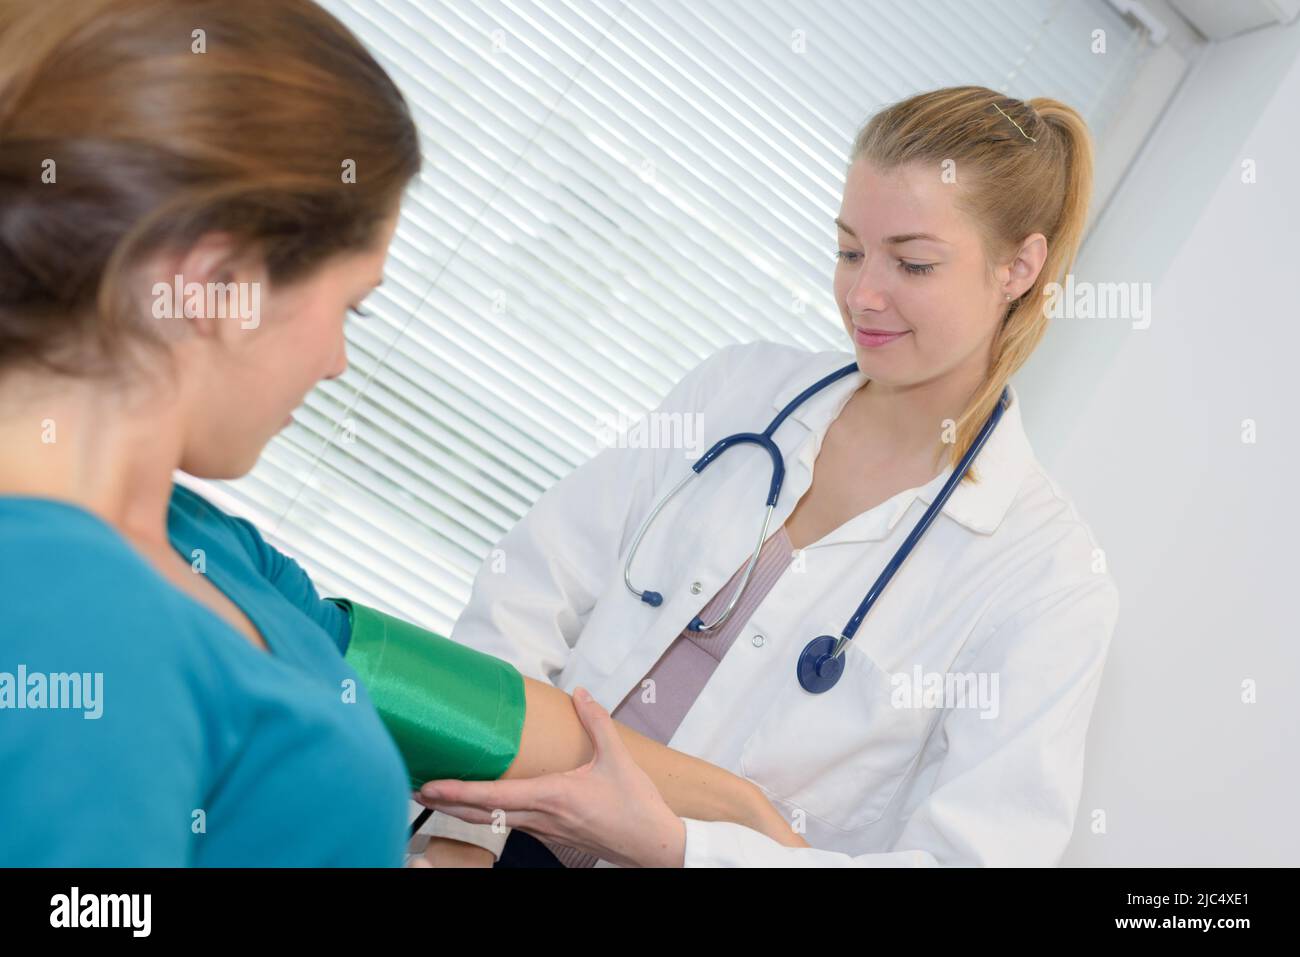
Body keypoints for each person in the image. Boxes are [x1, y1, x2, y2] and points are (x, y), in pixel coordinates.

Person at [0, 0, 804, 867]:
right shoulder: (73, 618)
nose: (340, 359)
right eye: (350, 306)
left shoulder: (204, 544)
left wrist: (738, 814)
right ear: (217, 283)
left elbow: (449, 700)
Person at [415, 86, 1122, 867]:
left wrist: (685, 846)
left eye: (913, 262)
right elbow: (531, 586)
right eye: (850, 250)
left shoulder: (1047, 581)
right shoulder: (740, 392)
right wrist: (463, 830)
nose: (863, 295)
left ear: (1020, 266)